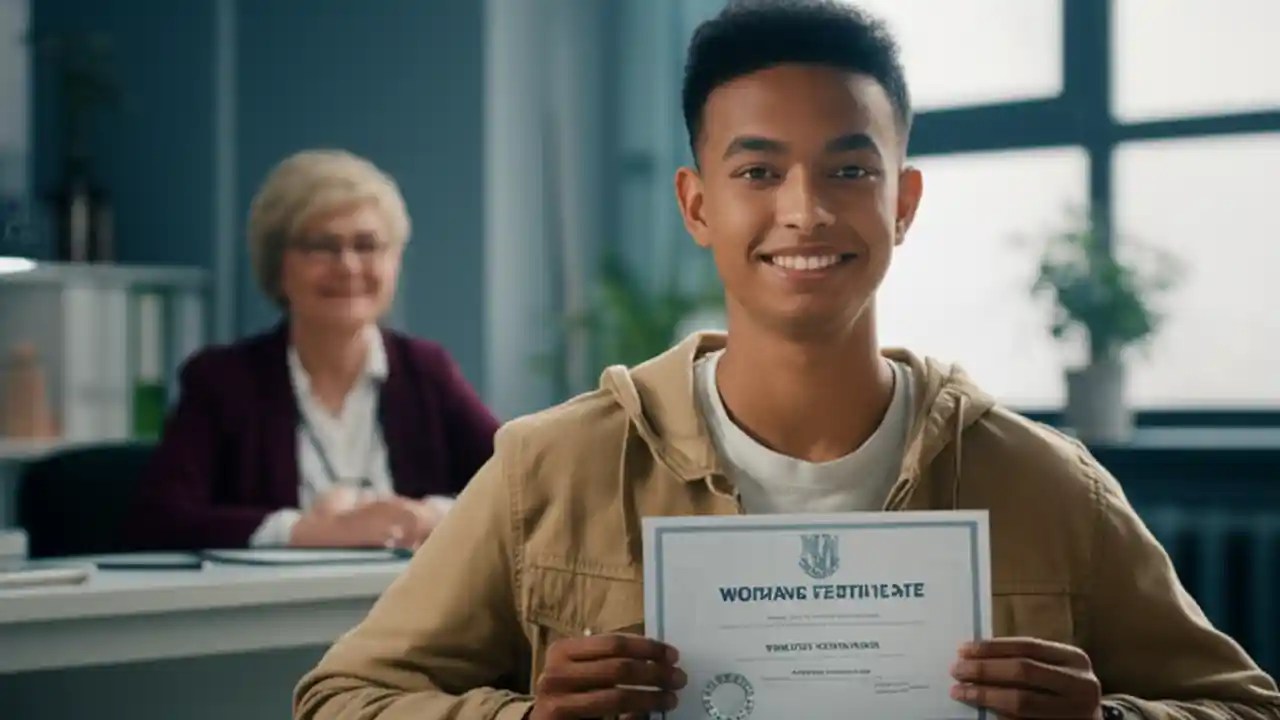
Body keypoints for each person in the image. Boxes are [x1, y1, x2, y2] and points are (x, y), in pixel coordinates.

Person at [294, 3, 1280, 719]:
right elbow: (341, 696)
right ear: (696, 206)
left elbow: (1242, 703)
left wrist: (1106, 718)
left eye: (849, 169)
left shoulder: (1048, 484)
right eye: (758, 171)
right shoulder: (549, 471)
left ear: (902, 203)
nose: (804, 210)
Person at [126, 149, 499, 551]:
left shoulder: (426, 372)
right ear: (277, 264)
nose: (348, 266)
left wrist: (429, 515)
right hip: (273, 595)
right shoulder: (222, 381)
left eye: (367, 245)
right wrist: (309, 531)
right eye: (322, 246)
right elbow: (159, 521)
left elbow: (523, 487)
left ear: (394, 261)